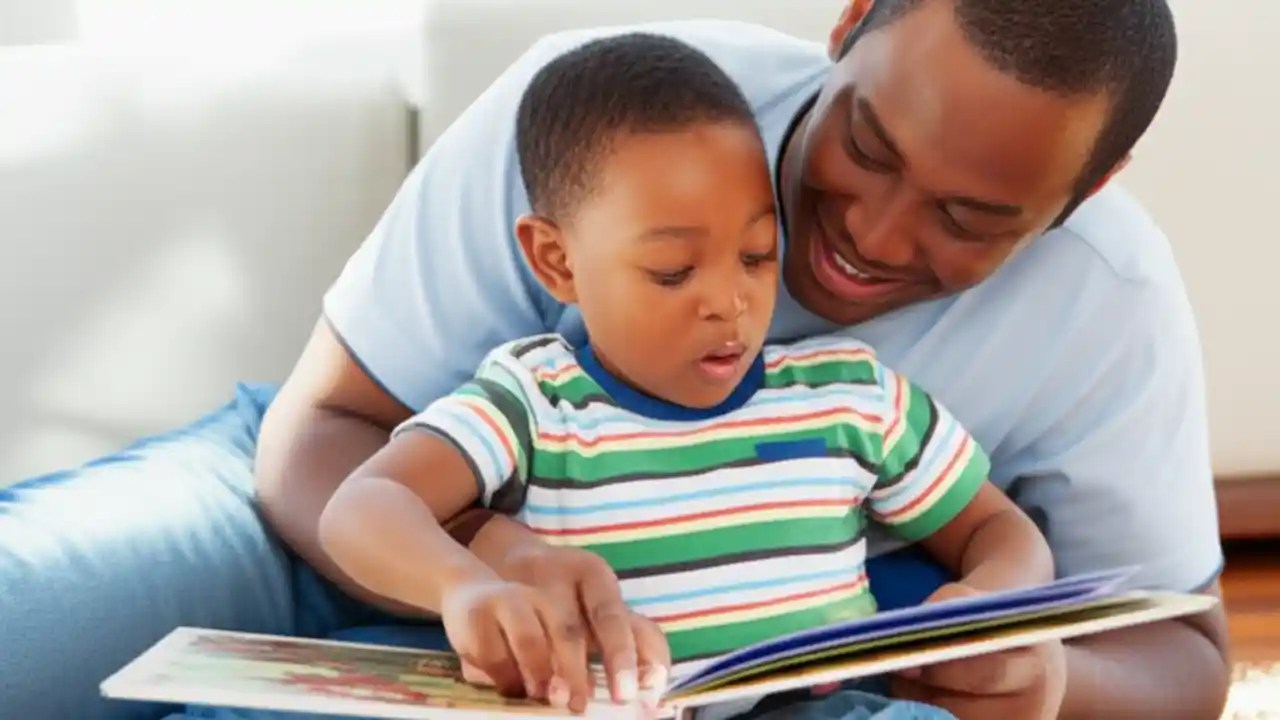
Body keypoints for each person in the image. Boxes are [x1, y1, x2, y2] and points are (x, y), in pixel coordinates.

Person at [255, 0, 1230, 718]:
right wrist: (485, 559)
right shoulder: (598, 123)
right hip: (374, 498)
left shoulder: (1076, 312)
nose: (877, 237)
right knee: (110, 599)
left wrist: (1043, 674)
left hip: (787, 634)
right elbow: (328, 437)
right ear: (847, 24)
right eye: (868, 147)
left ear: (1087, 187)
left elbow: (1175, 649)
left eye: (966, 218)